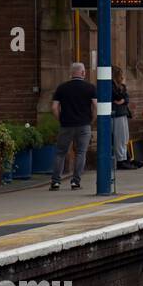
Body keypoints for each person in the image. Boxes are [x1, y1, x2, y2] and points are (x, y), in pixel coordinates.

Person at [49, 62, 97, 191]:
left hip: (66, 125)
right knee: (81, 153)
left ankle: (55, 182)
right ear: (82, 73)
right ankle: (75, 182)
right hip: (84, 125)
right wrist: (91, 120)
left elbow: (54, 107)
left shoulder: (62, 88)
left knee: (60, 153)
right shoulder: (90, 88)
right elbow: (96, 106)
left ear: (71, 73)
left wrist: (61, 119)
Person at [111, 66, 133, 168]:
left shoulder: (122, 86)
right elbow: (116, 96)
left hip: (123, 112)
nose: (122, 77)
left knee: (125, 137)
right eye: (120, 75)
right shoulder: (110, 85)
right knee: (119, 138)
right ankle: (121, 160)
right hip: (116, 114)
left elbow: (126, 98)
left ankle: (125, 158)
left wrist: (123, 100)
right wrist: (122, 98)